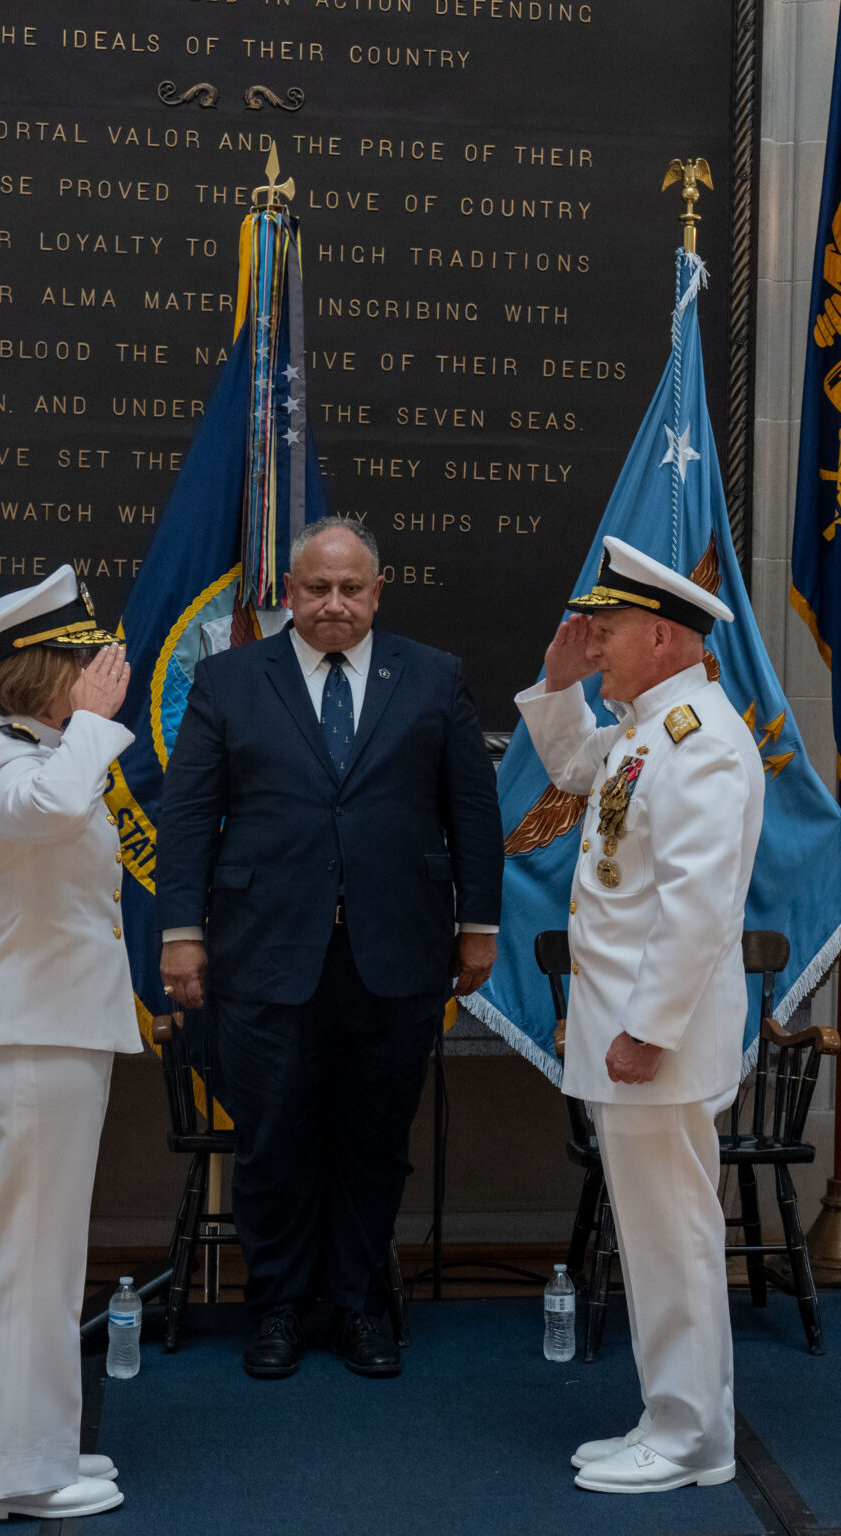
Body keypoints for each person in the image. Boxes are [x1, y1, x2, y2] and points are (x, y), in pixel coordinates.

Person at [157, 516, 504, 1379]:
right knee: (272, 1140)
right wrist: (181, 934)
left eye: (353, 589)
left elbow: (473, 813)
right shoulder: (230, 679)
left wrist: (480, 925)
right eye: (318, 588)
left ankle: (358, 1307)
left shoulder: (433, 677)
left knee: (374, 1140)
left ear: (378, 592)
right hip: (264, 954)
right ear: (290, 592)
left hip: (397, 954)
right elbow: (191, 817)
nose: (335, 605)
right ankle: (275, 1307)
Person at [516, 535, 765, 1495]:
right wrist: (557, 679)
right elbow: (583, 772)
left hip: (655, 1041)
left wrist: (646, 1029)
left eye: (609, 631)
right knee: (660, 1235)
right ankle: (672, 1416)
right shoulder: (654, 726)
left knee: (675, 1238)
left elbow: (697, 907)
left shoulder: (700, 739)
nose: (596, 642)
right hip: (637, 1033)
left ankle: (693, 1437)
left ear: (662, 637)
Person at [0, 565, 142, 1522]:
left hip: (51, 1029)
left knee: (47, 1257)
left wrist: (87, 731)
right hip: (28, 1036)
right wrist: (100, 724)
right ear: (42, 672)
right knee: (26, 1259)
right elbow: (51, 812)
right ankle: (13, 1475)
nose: (105, 670)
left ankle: (35, 1452)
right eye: (85, 659)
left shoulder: (33, 752)